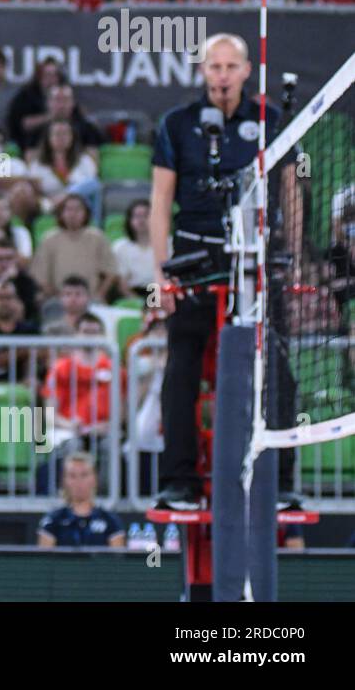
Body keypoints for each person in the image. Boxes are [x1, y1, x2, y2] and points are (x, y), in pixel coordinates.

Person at [149, 33, 300, 511]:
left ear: (247, 71)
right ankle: (180, 483)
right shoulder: (177, 123)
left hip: (257, 258)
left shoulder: (272, 121)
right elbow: (160, 203)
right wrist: (160, 275)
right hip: (194, 257)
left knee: (277, 367)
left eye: (230, 67)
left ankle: (280, 484)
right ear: (202, 72)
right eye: (214, 67)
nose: (222, 76)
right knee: (181, 368)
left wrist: (291, 256)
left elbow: (292, 194)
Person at [36, 452, 125, 547]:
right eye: (72, 476)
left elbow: (117, 559)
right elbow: (44, 559)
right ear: (64, 481)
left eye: (84, 475)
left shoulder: (111, 521)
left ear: (94, 479)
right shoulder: (52, 521)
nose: (79, 482)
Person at [26, 118, 101, 219]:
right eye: (57, 134)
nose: (61, 138)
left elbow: (92, 185)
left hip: (79, 209)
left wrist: (65, 196)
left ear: (72, 137)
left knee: (94, 183)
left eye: (65, 134)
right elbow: (36, 194)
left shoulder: (84, 160)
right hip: (52, 209)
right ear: (49, 138)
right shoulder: (37, 165)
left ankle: (93, 226)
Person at [6, 56, 63, 154]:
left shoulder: (65, 94)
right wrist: (50, 117)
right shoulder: (26, 96)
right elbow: (23, 124)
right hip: (29, 145)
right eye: (48, 75)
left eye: (55, 75)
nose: (51, 79)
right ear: (39, 76)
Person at [112, 198, 155, 297]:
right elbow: (121, 282)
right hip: (132, 294)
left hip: (161, 292)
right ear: (129, 220)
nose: (141, 220)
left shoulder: (168, 243)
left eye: (146, 215)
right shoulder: (120, 247)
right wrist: (136, 301)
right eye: (136, 216)